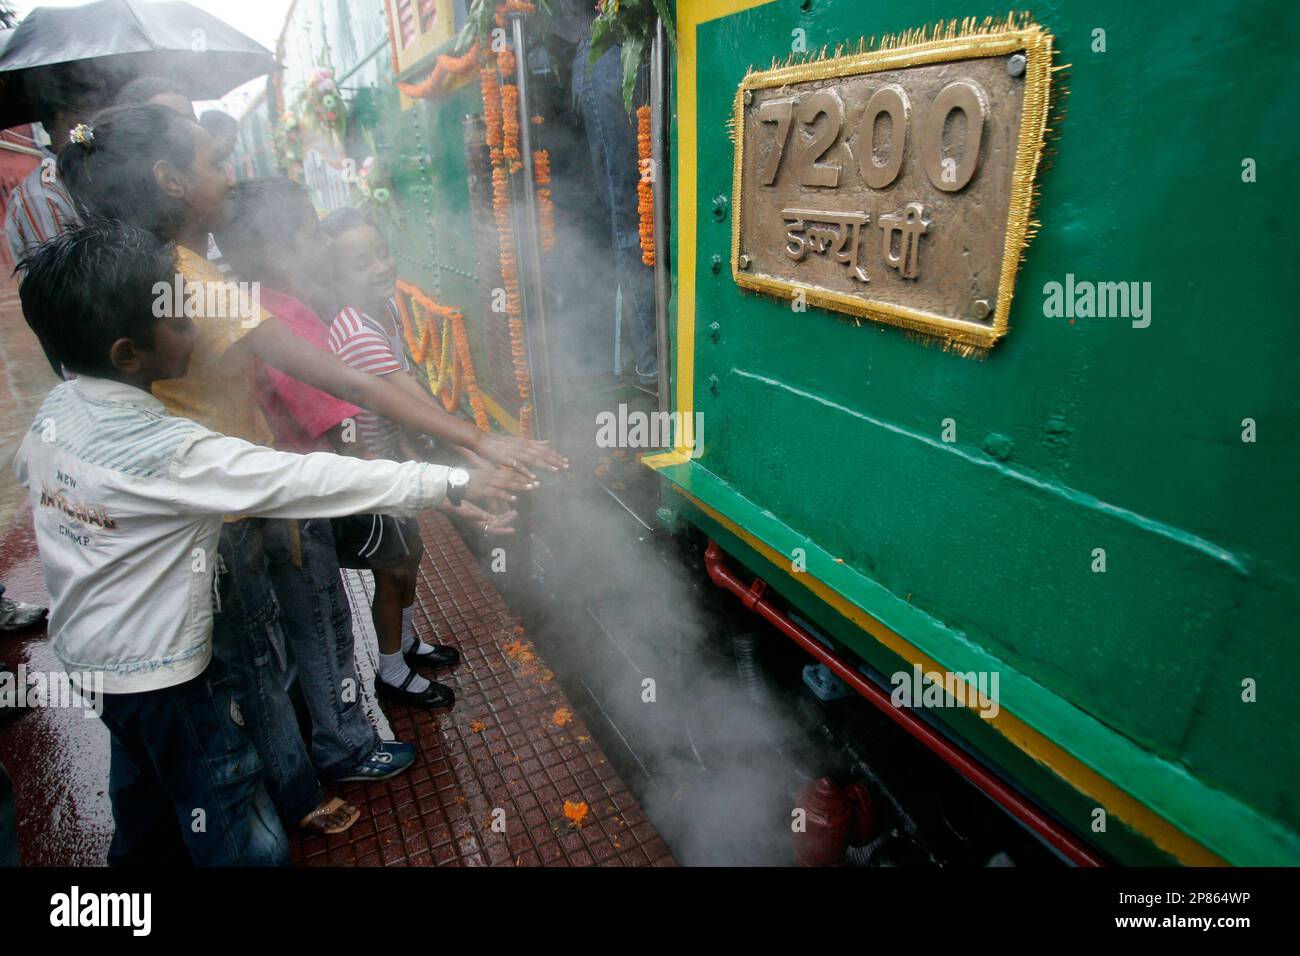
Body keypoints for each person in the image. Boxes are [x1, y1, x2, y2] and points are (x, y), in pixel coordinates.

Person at [55, 105, 550, 825]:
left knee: (261, 661)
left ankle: (282, 781)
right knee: (263, 662)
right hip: (234, 513)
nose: (227, 174)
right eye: (210, 162)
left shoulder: (161, 272)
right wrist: (475, 444)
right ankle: (300, 795)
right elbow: (348, 383)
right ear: (169, 180)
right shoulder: (191, 281)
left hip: (222, 504)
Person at [321, 207, 517, 707]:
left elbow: (399, 419)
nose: (379, 267)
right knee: (391, 570)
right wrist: (473, 457)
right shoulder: (359, 332)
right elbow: (412, 405)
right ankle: (390, 670)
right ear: (338, 275)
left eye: (381, 253)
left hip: (393, 465)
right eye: (360, 263)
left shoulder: (382, 312)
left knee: (411, 556)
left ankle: (405, 642)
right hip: (374, 475)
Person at [3, 68, 107, 377]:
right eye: (89, 111)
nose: (99, 123)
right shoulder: (44, 194)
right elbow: (70, 298)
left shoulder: (85, 179)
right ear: (61, 118)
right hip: (93, 361)